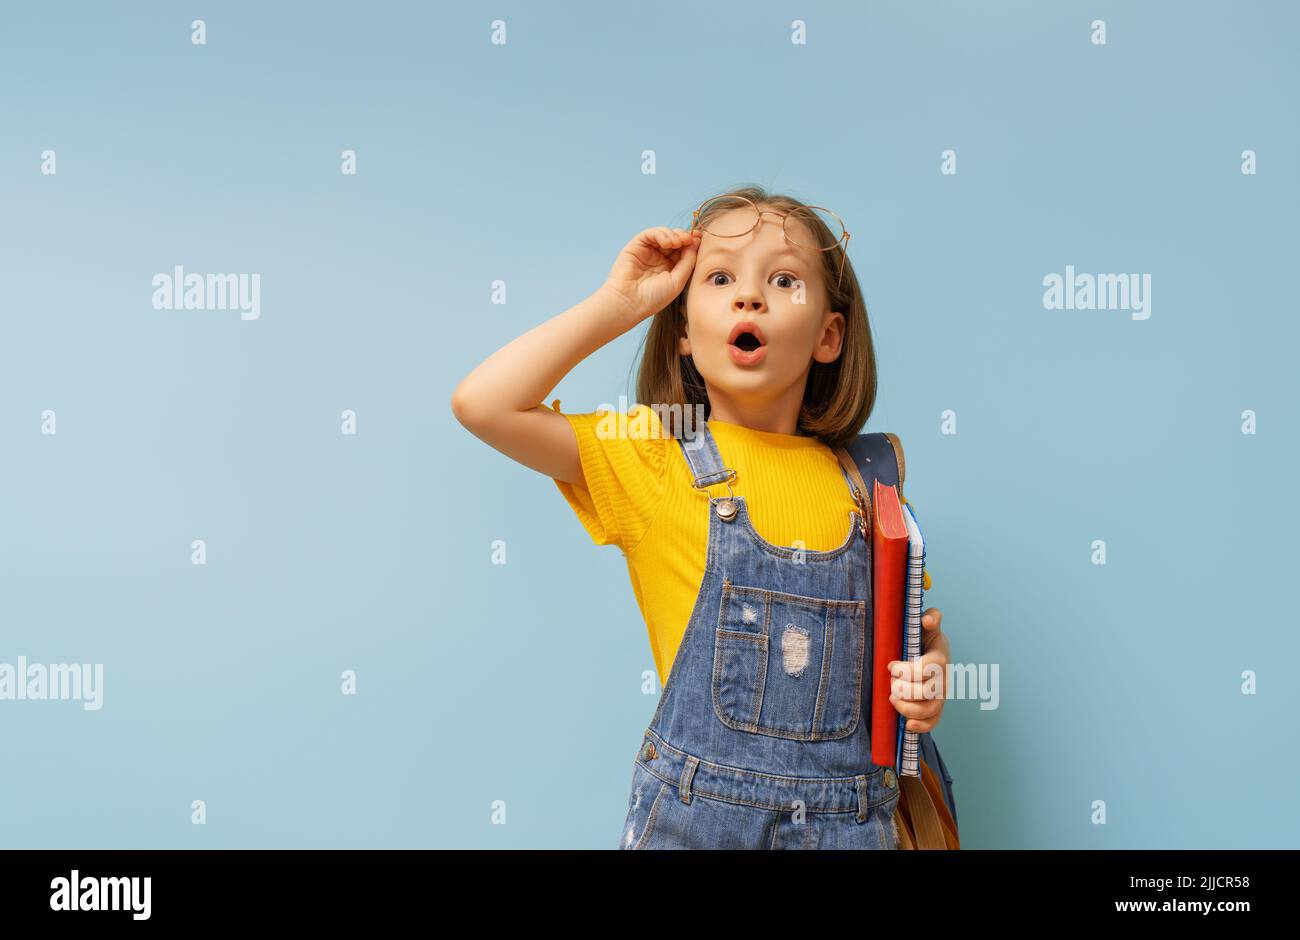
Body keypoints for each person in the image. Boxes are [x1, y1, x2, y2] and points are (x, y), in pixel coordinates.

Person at [452, 185, 951, 849]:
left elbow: (910, 641)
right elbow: (484, 404)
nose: (749, 296)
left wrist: (931, 675)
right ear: (684, 331)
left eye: (783, 279)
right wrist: (619, 305)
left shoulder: (869, 485)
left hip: (851, 825)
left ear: (829, 335)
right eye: (720, 278)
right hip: (698, 824)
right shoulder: (655, 454)